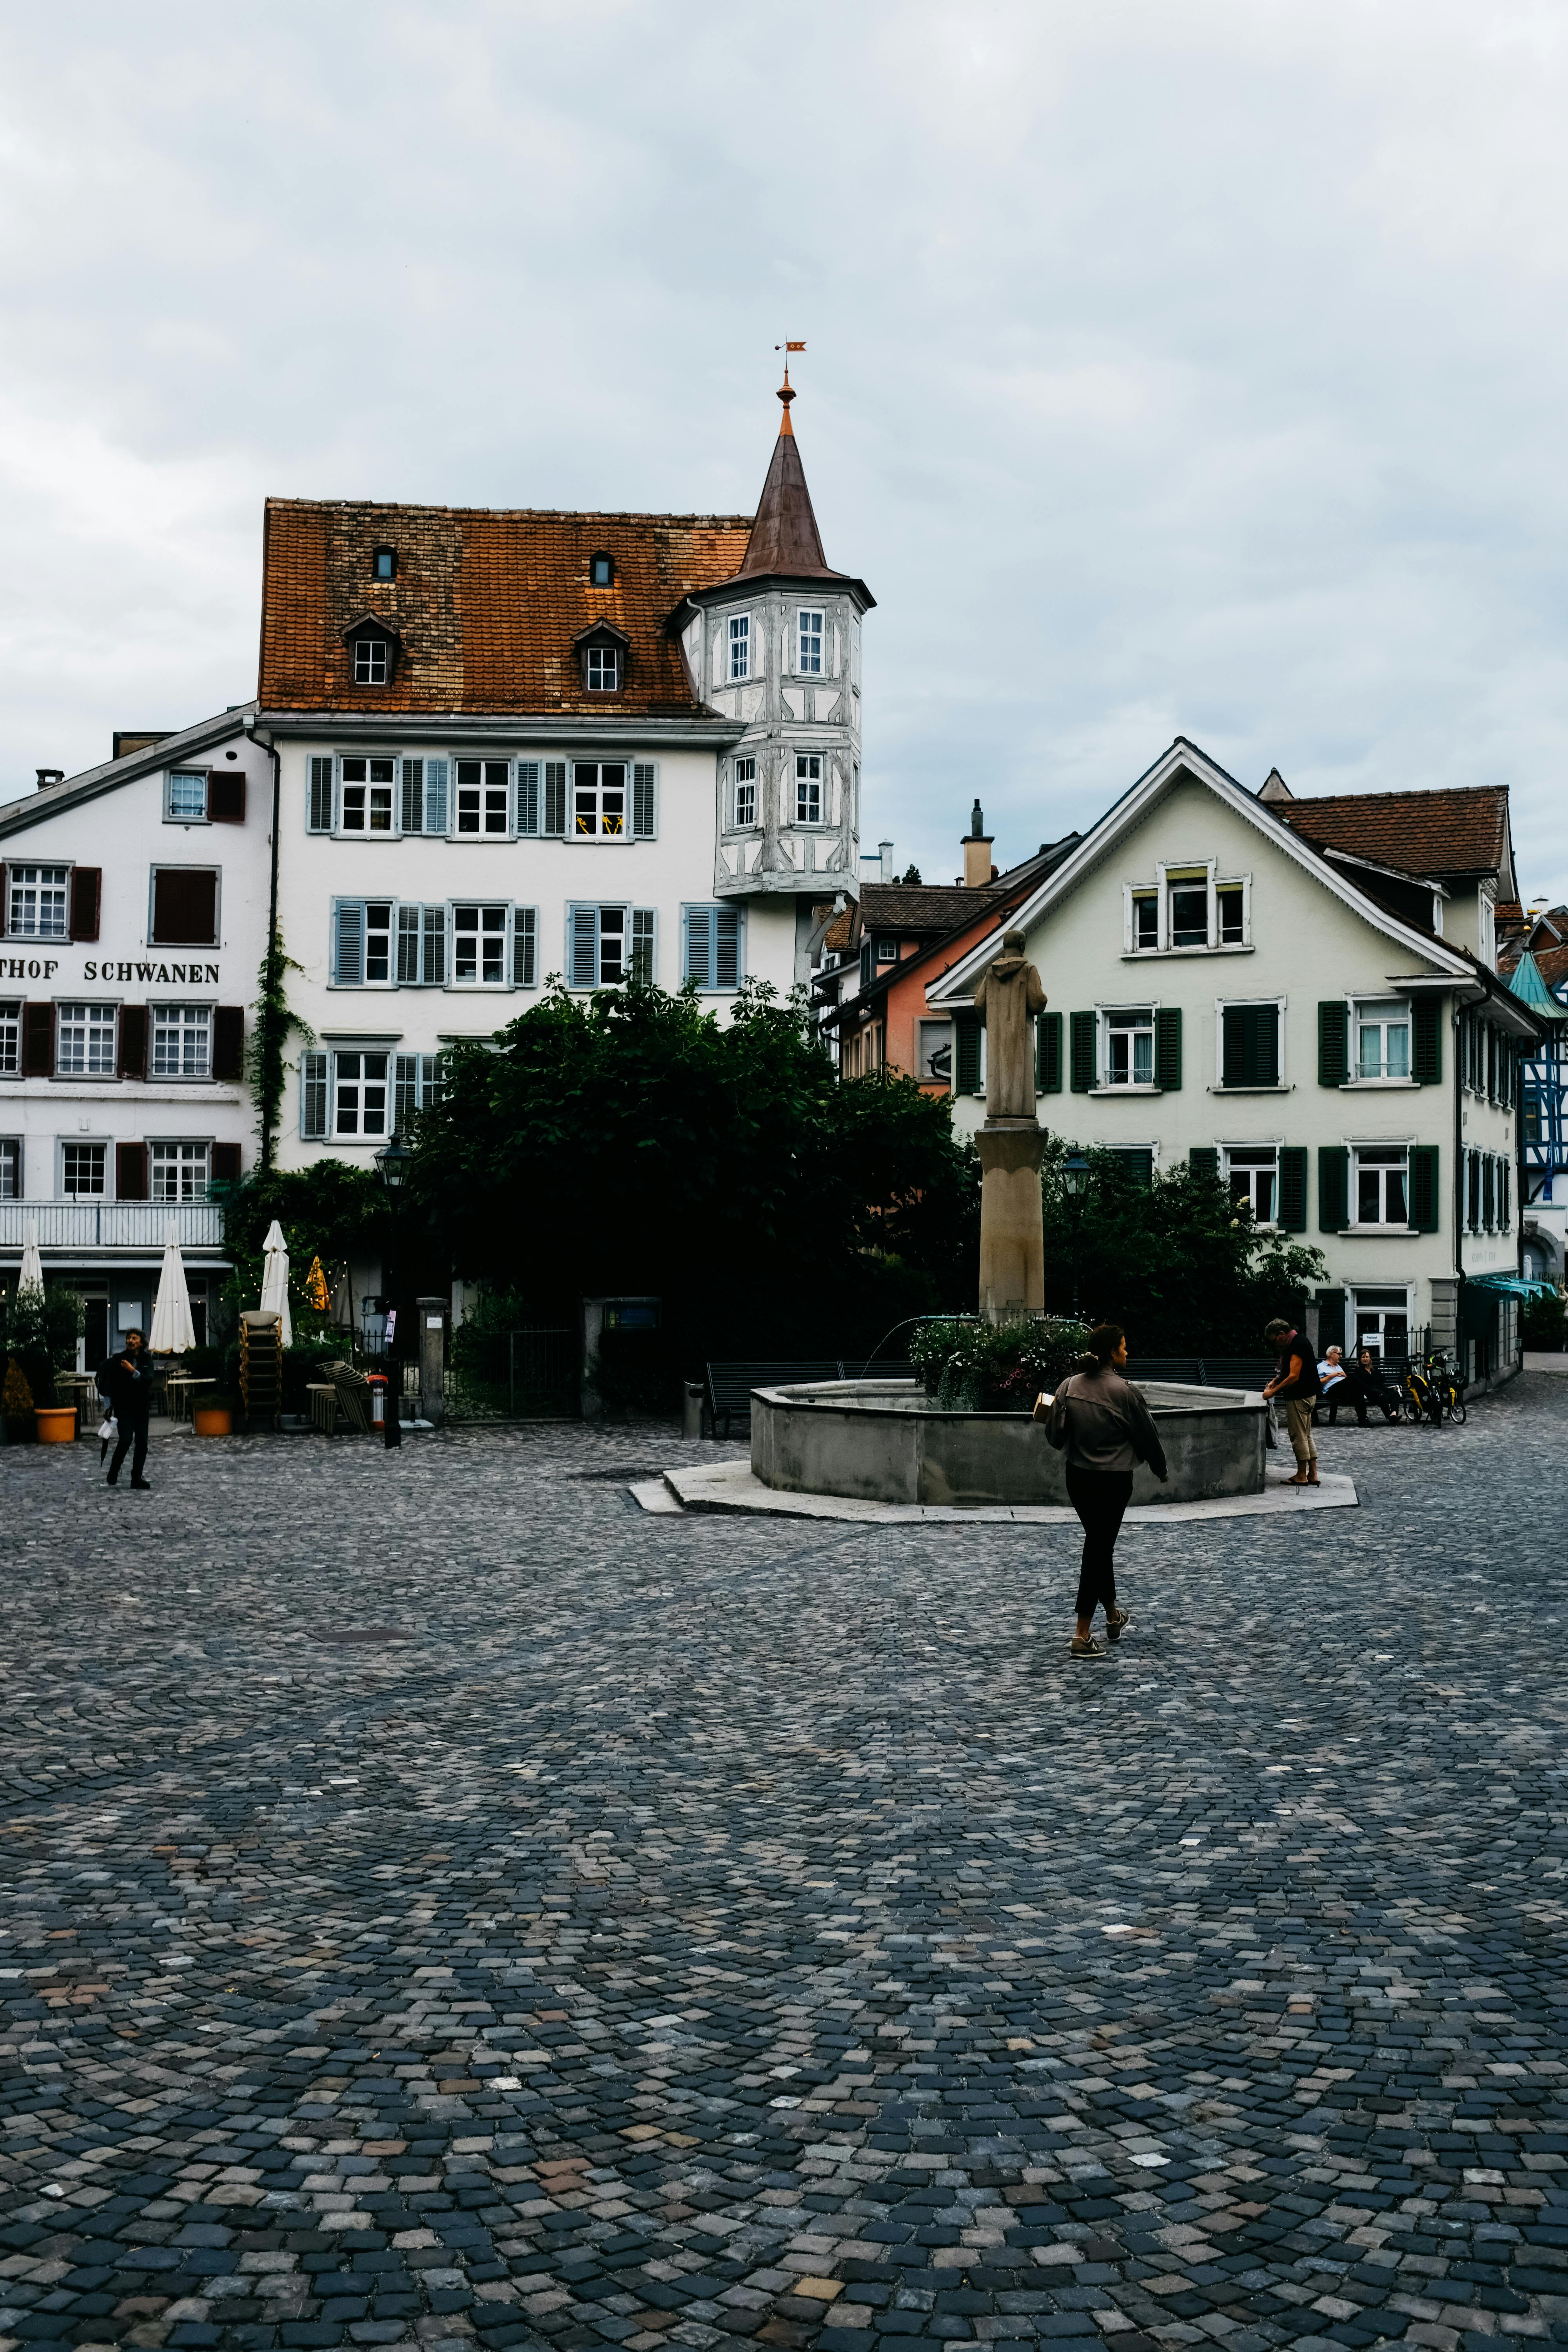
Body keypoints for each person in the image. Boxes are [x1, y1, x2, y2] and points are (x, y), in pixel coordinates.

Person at [1041, 1324, 1168, 1661]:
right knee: (1098, 1549)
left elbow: (1054, 1437)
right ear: (1113, 1353)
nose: (1128, 1353)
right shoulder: (1124, 1391)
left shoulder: (1068, 1385)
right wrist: (1161, 1469)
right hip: (1113, 1481)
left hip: (1078, 1478)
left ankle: (1113, 1616)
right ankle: (1082, 1635)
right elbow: (1148, 1436)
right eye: (1124, 1347)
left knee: (1100, 1545)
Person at [1262, 1317, 1321, 1484]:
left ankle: (1302, 1475)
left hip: (1299, 1397)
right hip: (1309, 1395)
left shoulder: (1296, 1345)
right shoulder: (1300, 1340)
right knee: (1307, 1435)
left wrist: (1273, 1391)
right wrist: (1277, 1379)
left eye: (1275, 1340)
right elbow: (1289, 1372)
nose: (1275, 1344)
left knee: (1298, 1436)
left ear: (1281, 1334)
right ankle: (1313, 1474)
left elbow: (1294, 1376)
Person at [98, 1328, 154, 1489]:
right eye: (129, 1338)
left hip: (142, 1408)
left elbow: (148, 1381)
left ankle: (136, 1478)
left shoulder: (147, 1359)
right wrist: (108, 1408)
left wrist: (133, 1371)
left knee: (142, 1443)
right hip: (123, 1408)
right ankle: (114, 1470)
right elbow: (109, 1384)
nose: (130, 1341)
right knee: (125, 1440)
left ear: (141, 1343)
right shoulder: (118, 1360)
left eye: (134, 1338)